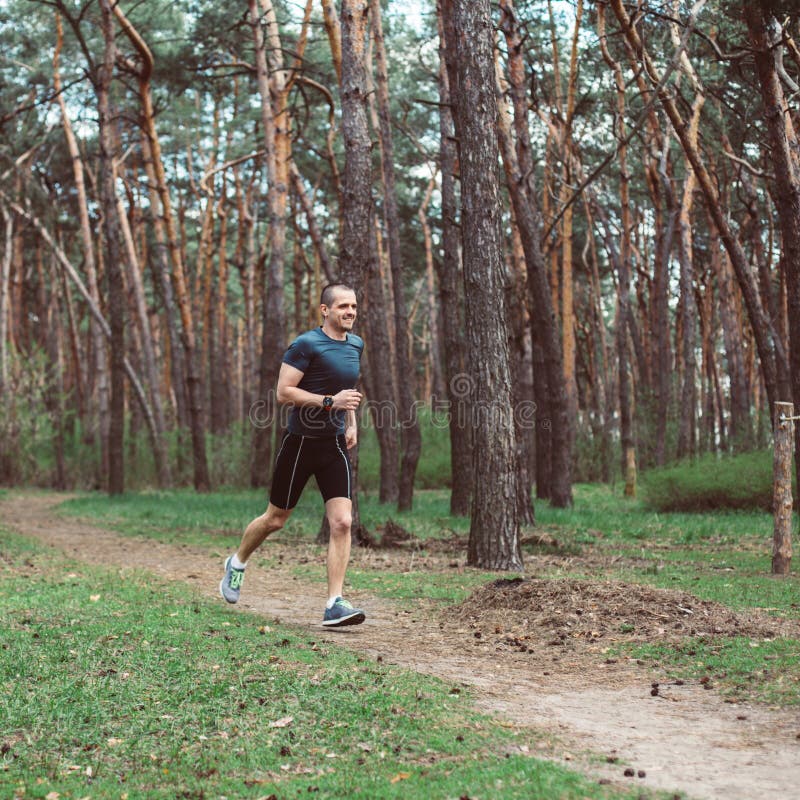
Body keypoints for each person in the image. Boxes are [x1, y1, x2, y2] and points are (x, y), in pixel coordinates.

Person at [220, 283, 366, 627]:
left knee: (343, 522)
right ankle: (237, 562)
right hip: (300, 444)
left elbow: (349, 390)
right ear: (325, 310)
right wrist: (330, 402)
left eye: (354, 307)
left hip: (333, 444)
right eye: (343, 306)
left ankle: (334, 603)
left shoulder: (356, 345)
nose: (350, 312)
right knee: (275, 519)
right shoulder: (305, 345)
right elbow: (284, 393)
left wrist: (351, 421)